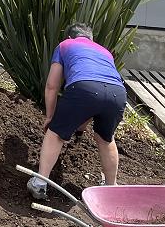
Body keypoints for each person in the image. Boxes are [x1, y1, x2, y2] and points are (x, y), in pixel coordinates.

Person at [27, 23, 127, 200]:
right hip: (117, 93)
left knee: (55, 133)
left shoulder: (65, 45)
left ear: (70, 37)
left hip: (84, 87)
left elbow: (52, 86)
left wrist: (51, 117)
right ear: (91, 39)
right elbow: (99, 96)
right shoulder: (104, 51)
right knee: (105, 138)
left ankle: (40, 183)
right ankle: (111, 187)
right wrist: (79, 127)